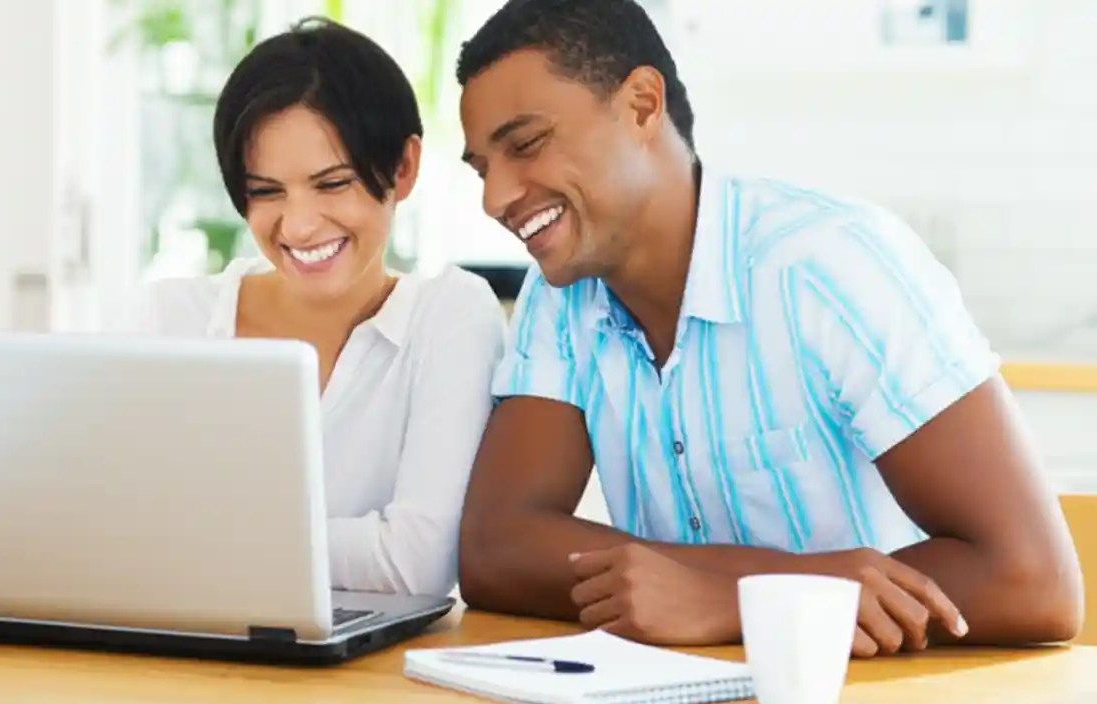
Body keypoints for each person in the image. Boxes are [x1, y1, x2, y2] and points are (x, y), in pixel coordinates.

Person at [454, 0, 1081, 657]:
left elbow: (1033, 580)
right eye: (480, 168)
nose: (495, 198)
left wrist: (740, 595)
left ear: (641, 104)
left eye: (525, 145)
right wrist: (742, 588)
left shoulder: (830, 267)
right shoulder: (563, 295)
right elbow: (498, 547)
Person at [130, 18, 505, 597]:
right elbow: (126, 539)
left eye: (332, 184)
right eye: (267, 191)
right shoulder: (173, 318)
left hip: (366, 679)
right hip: (180, 660)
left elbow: (417, 564)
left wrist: (203, 545)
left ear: (403, 169)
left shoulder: (450, 316)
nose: (299, 225)